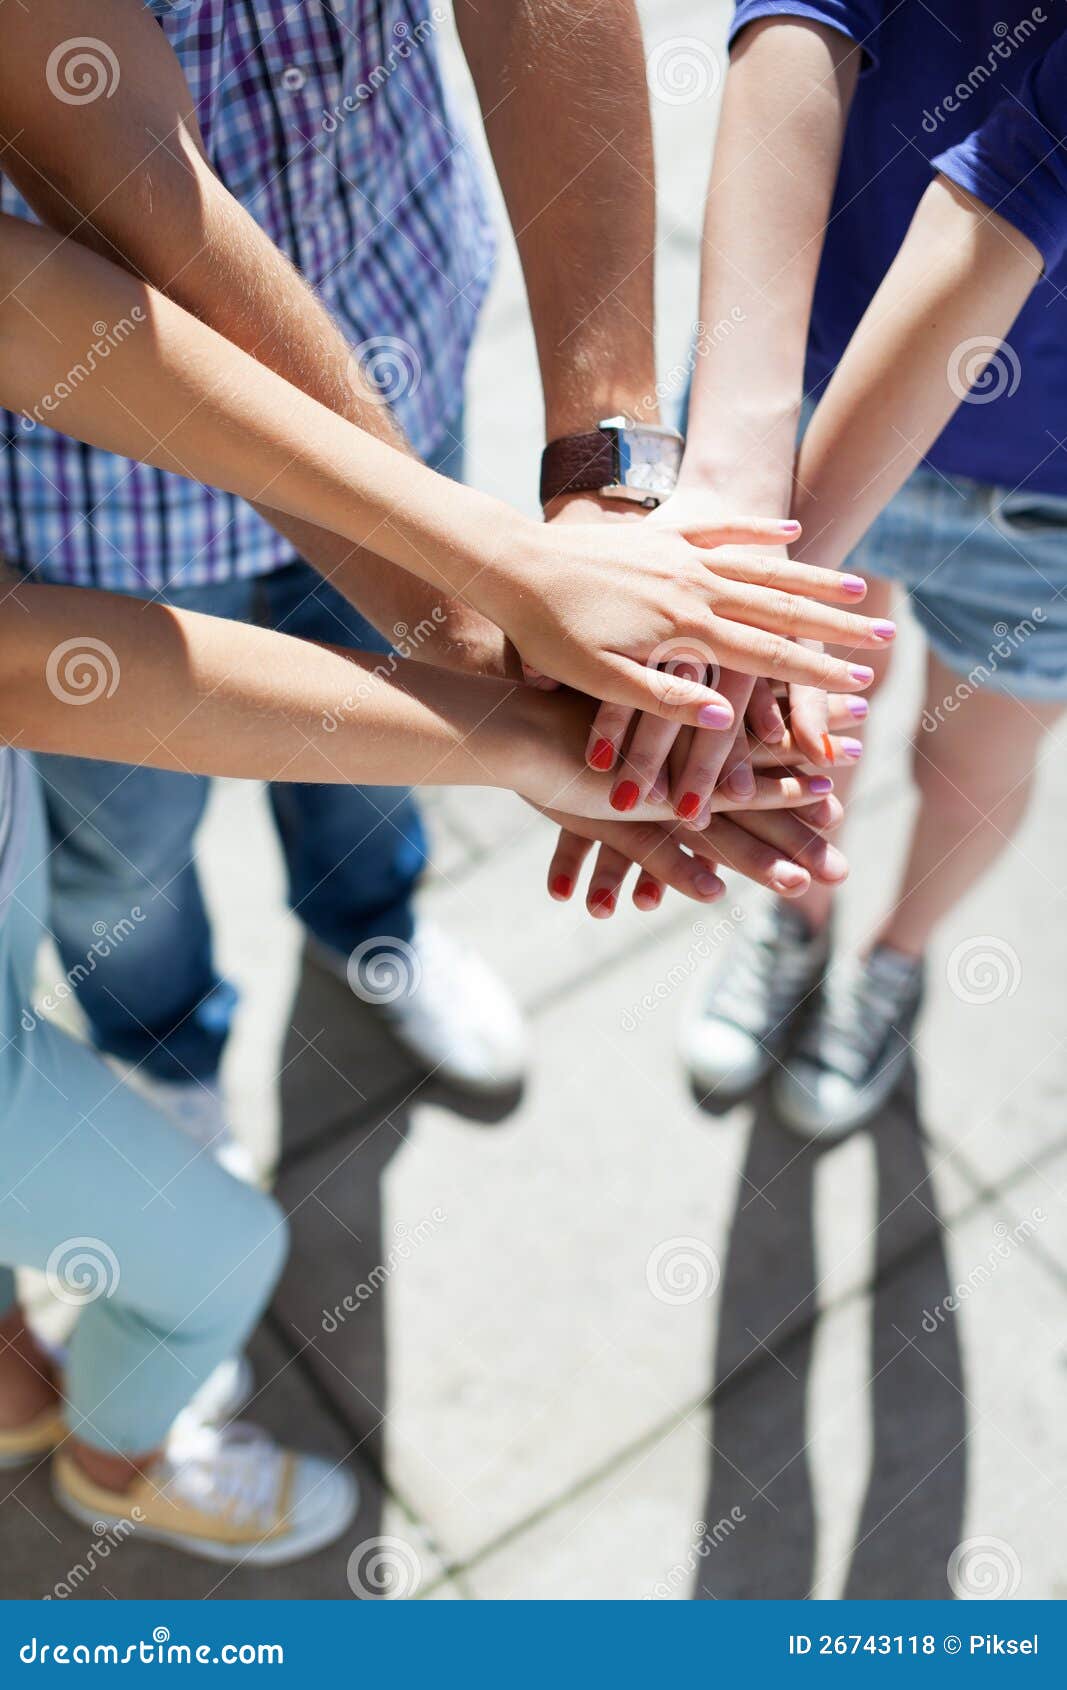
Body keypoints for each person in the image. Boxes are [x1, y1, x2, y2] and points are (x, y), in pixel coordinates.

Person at [0, 186, 884, 1557]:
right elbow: (23, 660)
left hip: (26, 789)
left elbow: (34, 270)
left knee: (222, 868)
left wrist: (521, 592)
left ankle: (359, 952)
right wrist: (523, 696)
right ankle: (121, 1443)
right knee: (210, 1229)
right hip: (67, 566)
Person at [0, 0, 885, 1136]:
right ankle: (163, 1052)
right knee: (124, 858)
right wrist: (492, 636)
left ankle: (372, 937)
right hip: (83, 473)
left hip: (393, 320)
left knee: (372, 791)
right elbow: (103, 171)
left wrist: (602, 489)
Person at [676, 2, 1066, 1136]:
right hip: (810, 365)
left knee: (968, 765)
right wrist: (746, 525)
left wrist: (755, 582)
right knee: (808, 731)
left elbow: (1023, 173)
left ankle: (892, 962)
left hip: (1044, 479)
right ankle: (793, 928)